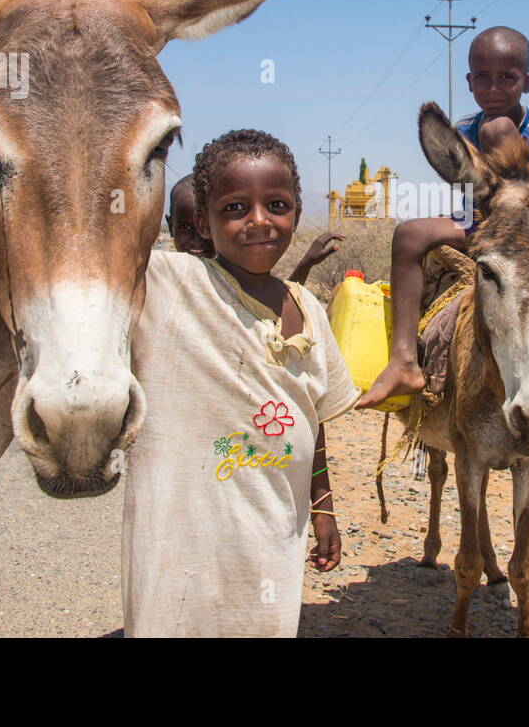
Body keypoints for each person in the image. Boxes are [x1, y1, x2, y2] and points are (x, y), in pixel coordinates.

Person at [123, 129, 359, 636]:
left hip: (273, 541)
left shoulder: (310, 309)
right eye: (233, 208)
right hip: (178, 549)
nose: (258, 221)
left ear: (296, 211)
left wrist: (322, 508)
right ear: (202, 224)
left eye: (276, 204)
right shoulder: (168, 286)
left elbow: (312, 424)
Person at [356, 26, 529, 409]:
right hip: (477, 222)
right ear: (469, 81)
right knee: (409, 234)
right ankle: (404, 359)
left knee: (499, 131)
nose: (493, 87)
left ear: (528, 82)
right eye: (483, 78)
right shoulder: (460, 130)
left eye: (507, 77)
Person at [166, 173, 345, 281]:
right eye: (185, 227)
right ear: (170, 225)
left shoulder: (234, 277)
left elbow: (274, 312)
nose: (198, 238)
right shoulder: (160, 277)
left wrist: (305, 265)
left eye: (206, 228)